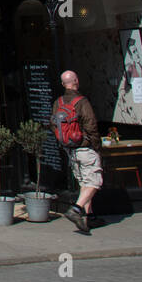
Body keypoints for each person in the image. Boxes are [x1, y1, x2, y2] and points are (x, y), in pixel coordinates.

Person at [53, 70, 103, 234]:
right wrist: (95, 145)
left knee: (84, 183)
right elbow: (91, 125)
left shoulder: (58, 102)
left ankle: (89, 217)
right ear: (77, 81)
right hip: (85, 147)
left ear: (63, 84)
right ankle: (76, 209)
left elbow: (54, 125)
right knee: (94, 182)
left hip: (70, 150)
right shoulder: (81, 102)